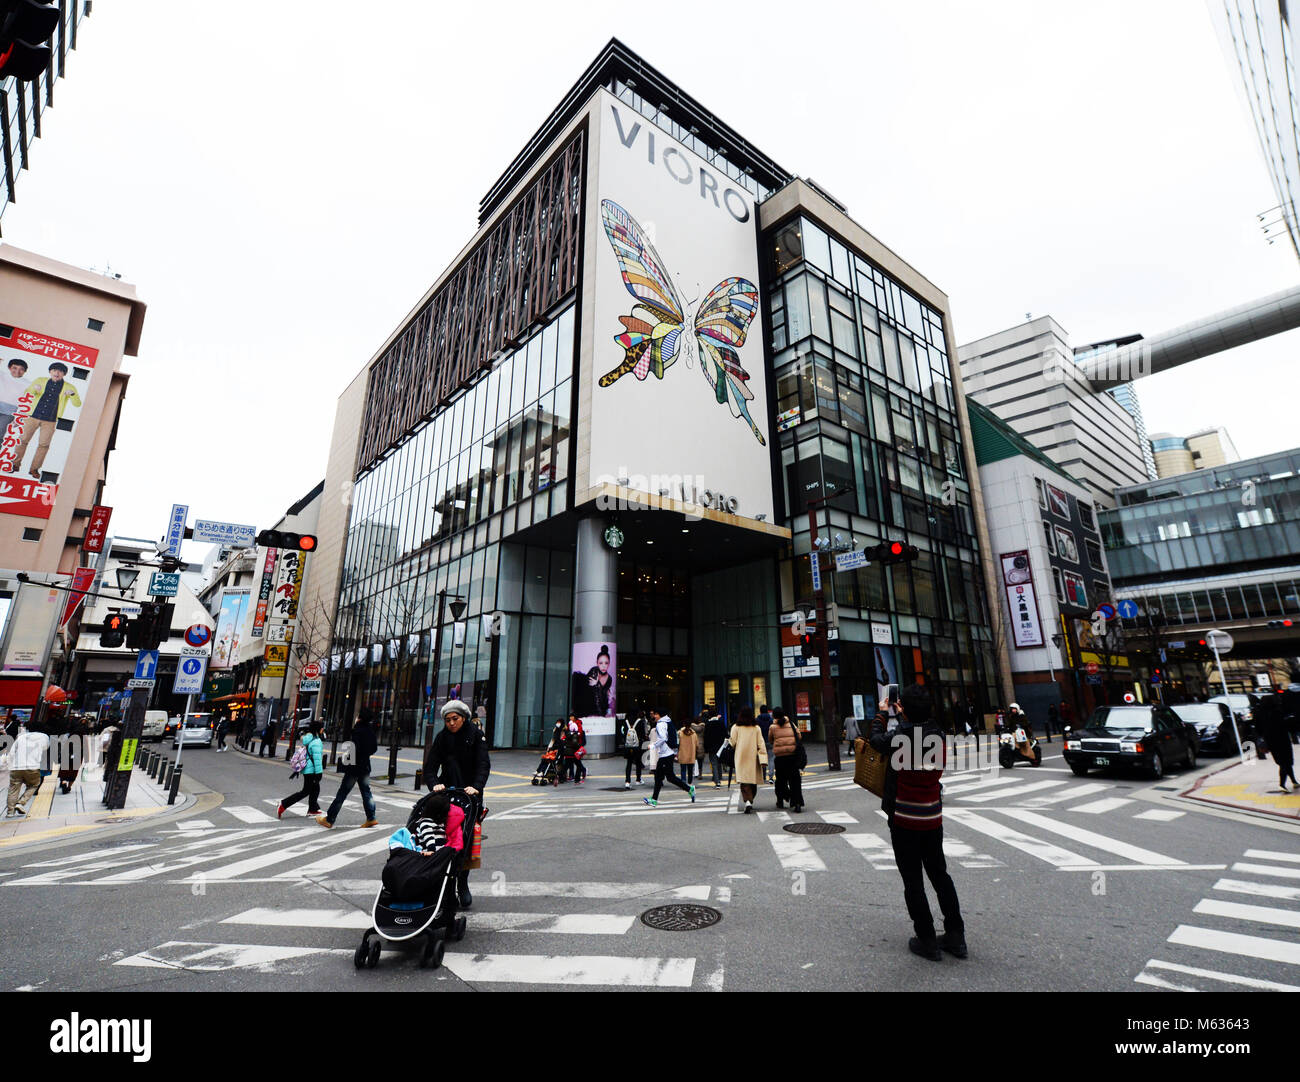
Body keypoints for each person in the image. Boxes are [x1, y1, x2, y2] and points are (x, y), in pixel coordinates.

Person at [868, 684, 966, 962]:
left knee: (913, 881)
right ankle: (956, 935)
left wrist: (882, 714)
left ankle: (926, 939)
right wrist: (906, 715)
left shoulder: (900, 735)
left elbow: (875, 740)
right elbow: (918, 730)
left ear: (905, 710)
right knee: (939, 874)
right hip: (932, 815)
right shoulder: (938, 734)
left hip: (903, 817)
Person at [423, 699, 491, 907]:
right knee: (444, 837)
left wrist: (477, 786)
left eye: (455, 719)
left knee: (467, 840)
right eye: (448, 720)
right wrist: (434, 784)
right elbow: (430, 766)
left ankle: (462, 883)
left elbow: (483, 764)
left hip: (470, 794)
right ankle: (445, 884)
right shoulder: (442, 738)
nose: (451, 723)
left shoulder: (476, 735)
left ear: (463, 718)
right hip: (447, 794)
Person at [11, 362, 81, 478]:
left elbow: (77, 404)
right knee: (23, 440)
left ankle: (34, 469)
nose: (57, 373)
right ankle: (15, 464)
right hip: (32, 416)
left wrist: (73, 395)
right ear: (50, 372)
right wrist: (34, 389)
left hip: (50, 420)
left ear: (64, 374)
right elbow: (27, 393)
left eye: (60, 371)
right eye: (54, 370)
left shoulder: (70, 387)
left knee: (44, 445)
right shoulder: (40, 380)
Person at [318, 709, 380, 828]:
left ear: (360, 718)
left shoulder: (357, 731)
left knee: (342, 793)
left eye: (358, 716)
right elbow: (374, 748)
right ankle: (371, 817)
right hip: (365, 766)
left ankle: (329, 819)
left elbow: (353, 749)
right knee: (366, 792)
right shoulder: (370, 731)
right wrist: (365, 755)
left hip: (354, 767)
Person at [643, 707, 694, 808]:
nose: (654, 716)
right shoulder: (668, 721)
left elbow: (663, 738)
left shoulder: (661, 724)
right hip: (668, 753)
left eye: (656, 714)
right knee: (661, 777)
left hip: (666, 754)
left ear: (660, 715)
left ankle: (689, 789)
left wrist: (653, 745)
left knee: (667, 777)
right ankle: (654, 799)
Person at [278, 720, 325, 818]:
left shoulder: (309, 738)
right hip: (311, 770)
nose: (323, 729)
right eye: (322, 727)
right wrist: (319, 773)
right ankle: (284, 804)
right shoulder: (316, 741)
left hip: (307, 769)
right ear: (318, 729)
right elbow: (317, 759)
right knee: (306, 791)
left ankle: (313, 809)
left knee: (315, 788)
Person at [4, 721, 49, 818]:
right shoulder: (44, 736)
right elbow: (45, 748)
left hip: (16, 767)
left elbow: (11, 753)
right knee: (34, 785)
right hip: (33, 766)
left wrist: (10, 765)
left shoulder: (21, 737)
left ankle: (10, 812)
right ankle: (21, 803)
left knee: (13, 789)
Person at [728, 708, 767, 814]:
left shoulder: (736, 727)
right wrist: (763, 759)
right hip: (753, 758)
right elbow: (761, 744)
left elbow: (732, 742)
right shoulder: (756, 728)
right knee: (753, 781)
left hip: (740, 757)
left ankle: (748, 801)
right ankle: (750, 799)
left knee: (744, 782)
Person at [1258, 694, 1299, 790]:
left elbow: (1259, 729)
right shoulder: (1277, 712)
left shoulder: (1260, 713)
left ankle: (1294, 781)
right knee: (1286, 762)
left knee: (1283, 762)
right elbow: (1286, 725)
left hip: (1271, 742)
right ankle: (1282, 784)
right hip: (1282, 740)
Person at [769, 708, 804, 813]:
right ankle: (797, 802)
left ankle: (781, 800)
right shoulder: (792, 724)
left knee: (780, 780)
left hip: (780, 757)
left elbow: (770, 739)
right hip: (792, 756)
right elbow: (799, 736)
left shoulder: (773, 727)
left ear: (774, 716)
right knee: (795, 780)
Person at [0, 357, 29, 434]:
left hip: (8, 412)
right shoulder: (2, 375)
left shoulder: (28, 384)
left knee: (0, 430)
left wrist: (20, 418)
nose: (17, 371)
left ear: (25, 371)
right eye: (14, 368)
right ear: (9, 368)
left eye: (21, 369)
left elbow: (28, 403)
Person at [622, 712, 647, 788]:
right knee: (638, 762)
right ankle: (638, 780)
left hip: (628, 746)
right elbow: (643, 734)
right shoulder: (640, 721)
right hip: (637, 746)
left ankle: (627, 781)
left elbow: (623, 733)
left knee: (629, 763)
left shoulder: (626, 722)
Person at [703, 711, 728, 787]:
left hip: (711, 747)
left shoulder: (708, 725)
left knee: (714, 763)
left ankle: (717, 781)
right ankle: (719, 777)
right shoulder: (721, 723)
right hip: (720, 746)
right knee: (719, 762)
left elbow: (706, 737)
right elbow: (726, 735)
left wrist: (706, 748)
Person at [677, 717, 699, 786]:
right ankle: (690, 783)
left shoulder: (680, 733)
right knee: (690, 770)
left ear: (684, 724)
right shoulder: (694, 734)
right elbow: (697, 745)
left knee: (683, 770)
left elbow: (677, 743)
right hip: (691, 754)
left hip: (682, 754)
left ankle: (683, 783)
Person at [756, 704, 773, 781]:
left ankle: (763, 776)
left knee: (762, 759)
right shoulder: (771, 720)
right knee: (771, 759)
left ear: (760, 711)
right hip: (770, 741)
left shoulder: (757, 720)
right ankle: (771, 776)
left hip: (760, 742)